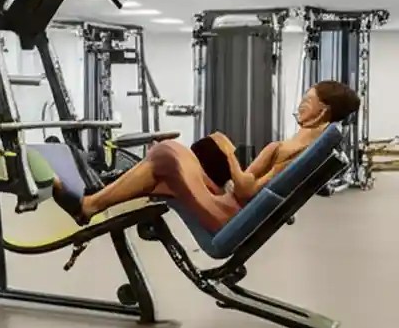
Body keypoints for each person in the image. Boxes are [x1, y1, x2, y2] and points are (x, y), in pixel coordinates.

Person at [53, 80, 360, 231]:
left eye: (308, 100)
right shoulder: (297, 146)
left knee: (167, 154)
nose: (302, 104)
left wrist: (228, 154)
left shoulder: (297, 152)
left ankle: (91, 202)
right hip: (229, 203)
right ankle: (94, 198)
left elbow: (247, 189)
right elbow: (246, 184)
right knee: (171, 159)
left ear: (324, 111)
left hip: (227, 215)